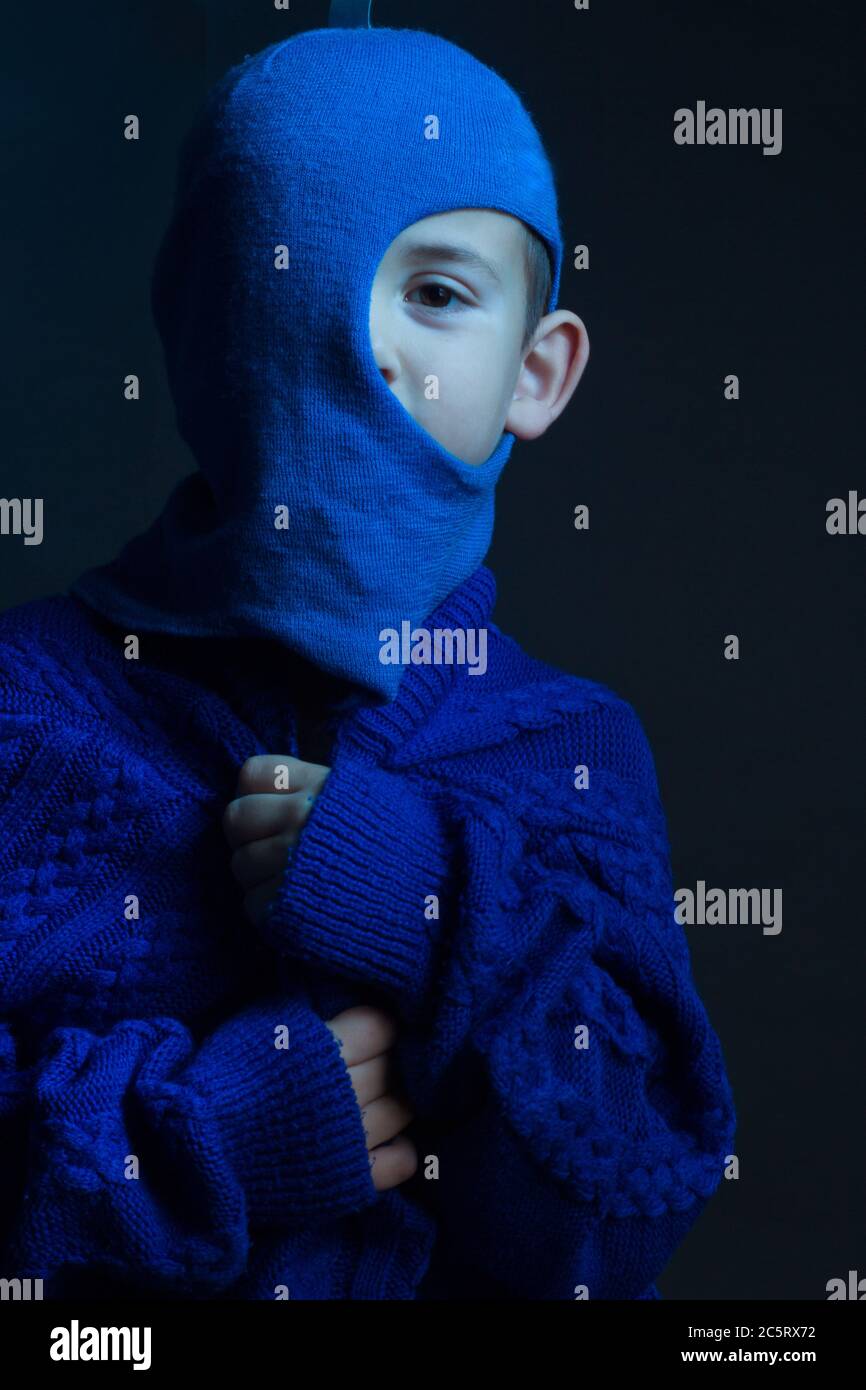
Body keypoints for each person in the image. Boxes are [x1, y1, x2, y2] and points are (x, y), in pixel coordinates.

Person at [0, 25, 736, 1300]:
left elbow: (620, 1217)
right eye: (275, 279)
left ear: (537, 371)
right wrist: (212, 1135)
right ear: (193, 326)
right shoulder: (25, 706)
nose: (371, 352)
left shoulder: (569, 749)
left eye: (439, 295)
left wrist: (430, 900)